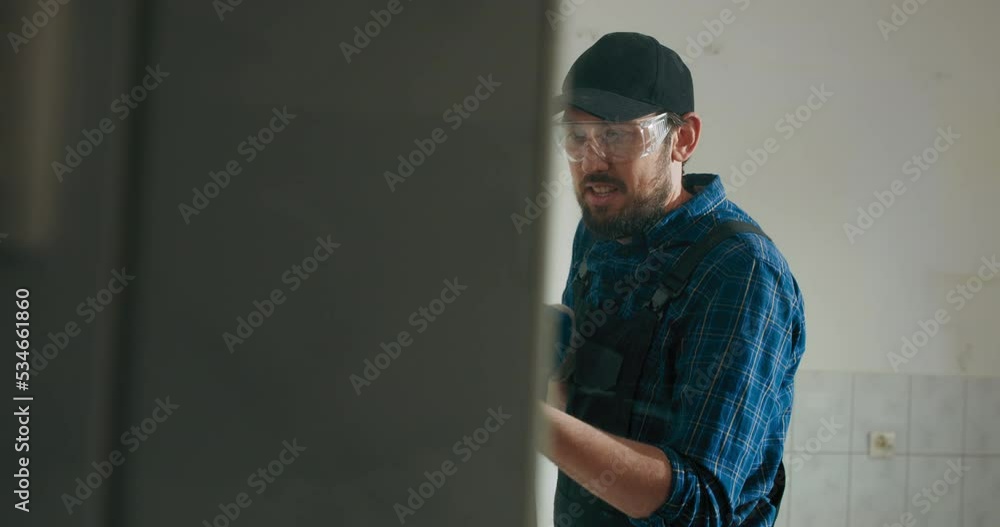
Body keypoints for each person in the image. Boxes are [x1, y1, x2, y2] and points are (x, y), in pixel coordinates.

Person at [539, 32, 806, 526]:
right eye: (577, 136)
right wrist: (551, 364)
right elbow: (581, 412)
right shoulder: (600, 232)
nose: (593, 160)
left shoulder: (740, 270)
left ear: (682, 139)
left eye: (619, 135)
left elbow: (702, 506)